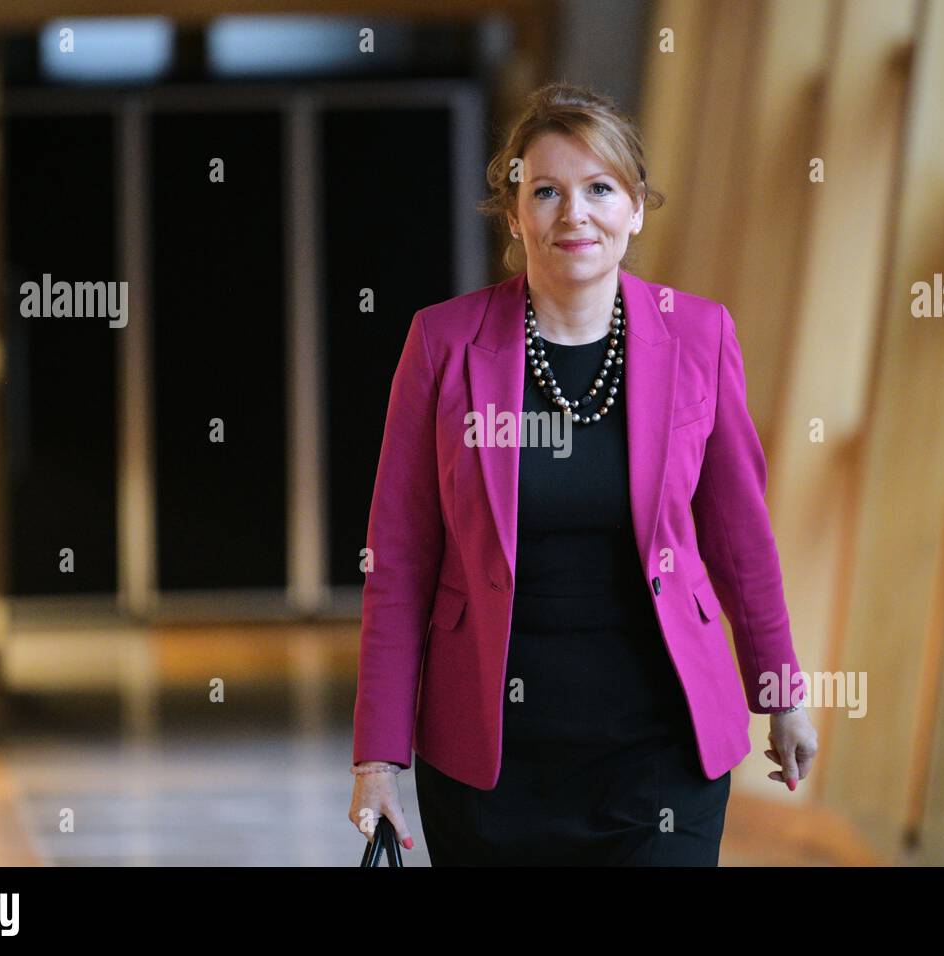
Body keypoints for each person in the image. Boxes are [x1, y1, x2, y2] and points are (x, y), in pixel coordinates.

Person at [347, 81, 816, 865]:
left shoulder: (699, 334)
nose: (576, 214)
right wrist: (378, 757)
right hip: (491, 763)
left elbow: (740, 537)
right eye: (548, 192)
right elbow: (398, 562)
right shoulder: (443, 345)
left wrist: (782, 692)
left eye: (600, 188)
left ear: (634, 207)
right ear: (515, 214)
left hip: (661, 753)